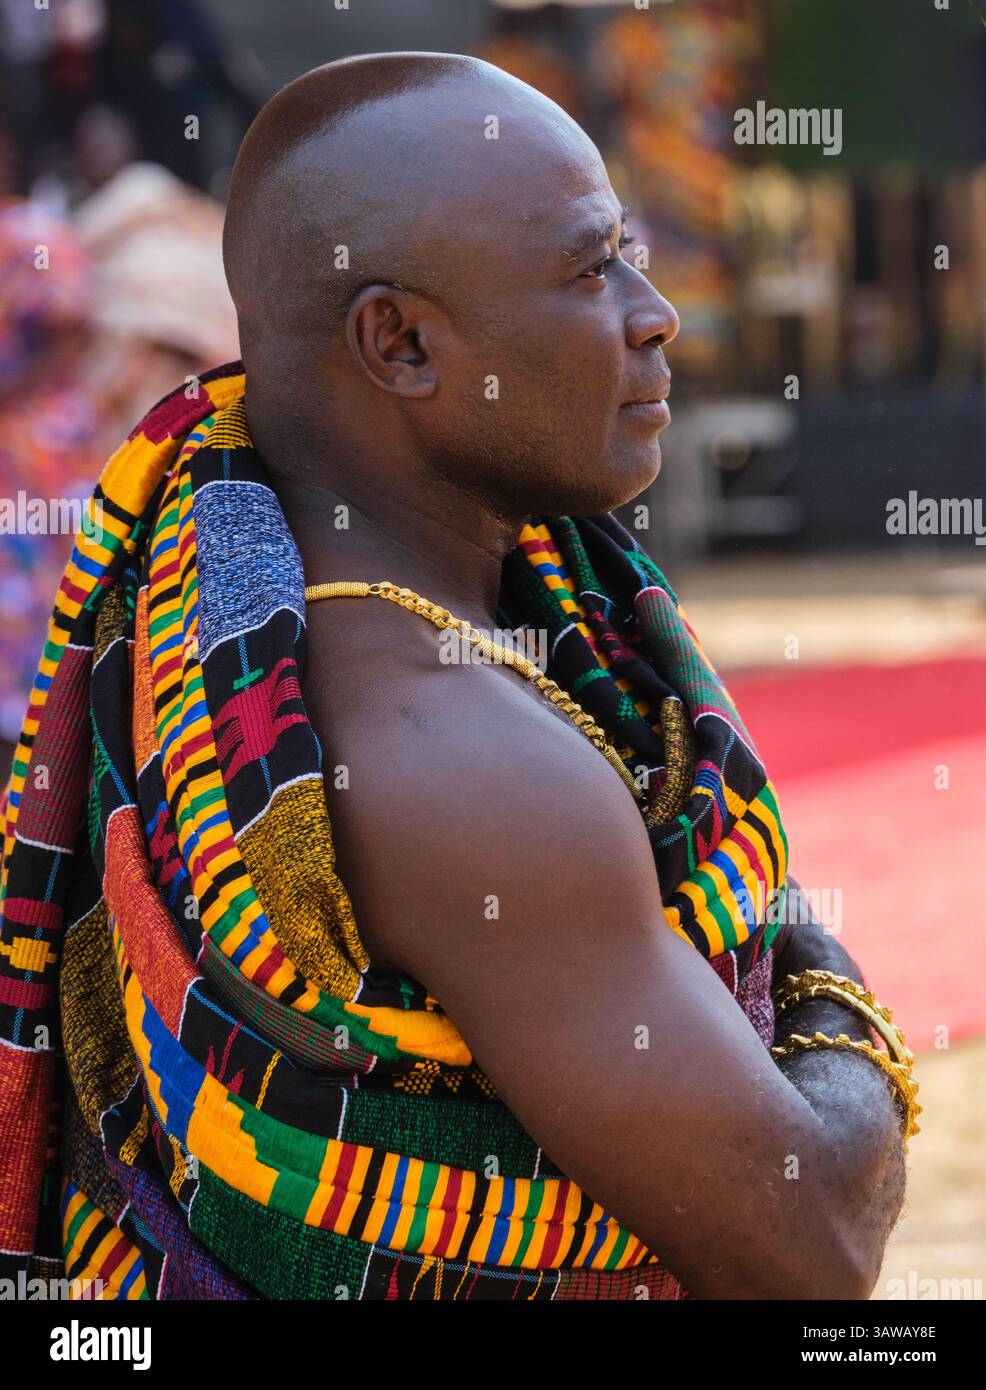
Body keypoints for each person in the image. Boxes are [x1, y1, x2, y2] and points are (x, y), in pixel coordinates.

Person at [0, 53, 915, 1302]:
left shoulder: (240, 561)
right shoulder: (454, 758)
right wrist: (809, 963)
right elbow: (810, 1251)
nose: (655, 315)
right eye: (590, 270)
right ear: (402, 343)